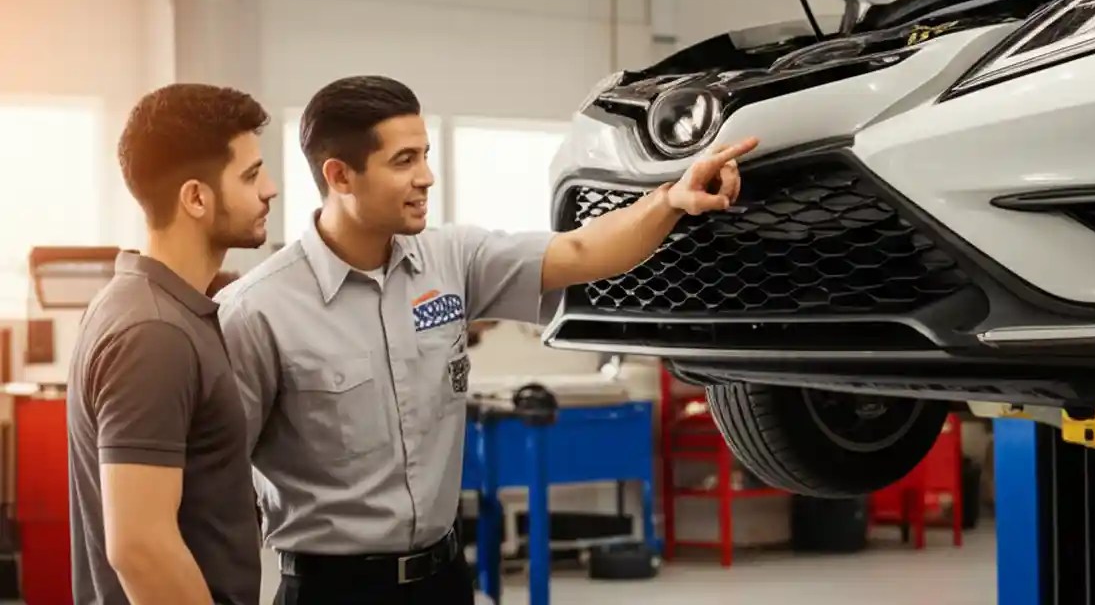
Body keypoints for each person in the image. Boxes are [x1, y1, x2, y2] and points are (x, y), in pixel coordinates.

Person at [214, 75, 757, 605]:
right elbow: (216, 487)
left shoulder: (453, 259)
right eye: (404, 161)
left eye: (426, 154)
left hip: (443, 578)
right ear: (340, 176)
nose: (427, 177)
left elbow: (582, 252)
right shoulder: (257, 310)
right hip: (331, 590)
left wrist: (671, 201)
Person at [66, 84, 279, 605]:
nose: (270, 189)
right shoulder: (155, 333)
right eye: (250, 175)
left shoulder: (156, 306)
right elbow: (141, 548)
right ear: (196, 198)